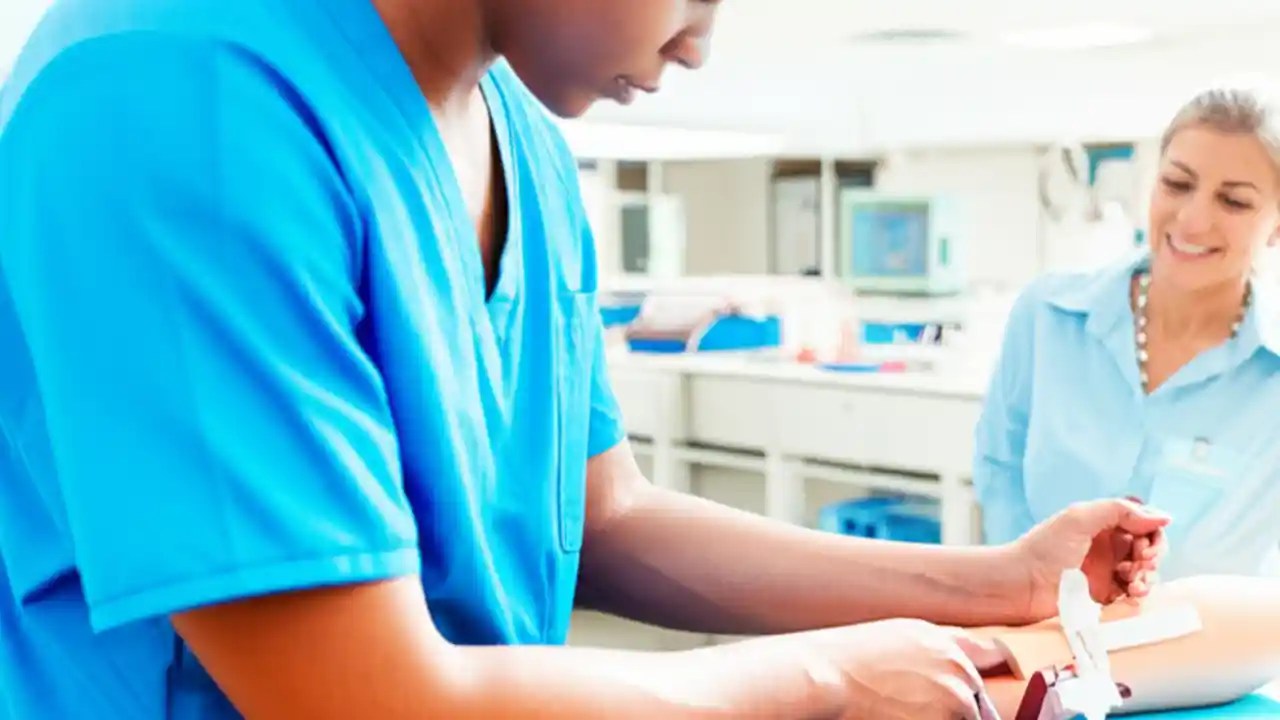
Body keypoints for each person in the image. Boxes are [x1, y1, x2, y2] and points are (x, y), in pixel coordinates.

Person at [0, 1, 1168, 718]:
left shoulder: (524, 146)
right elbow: (362, 700)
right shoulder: (172, 90)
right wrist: (821, 682)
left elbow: (602, 518)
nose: (700, 41)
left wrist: (994, 582)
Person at [974, 83, 1280, 581]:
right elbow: (998, 469)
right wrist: (1028, 593)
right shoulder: (1047, 317)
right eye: (1177, 185)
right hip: (1043, 642)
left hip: (1213, 654)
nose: (1192, 219)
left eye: (1234, 202)